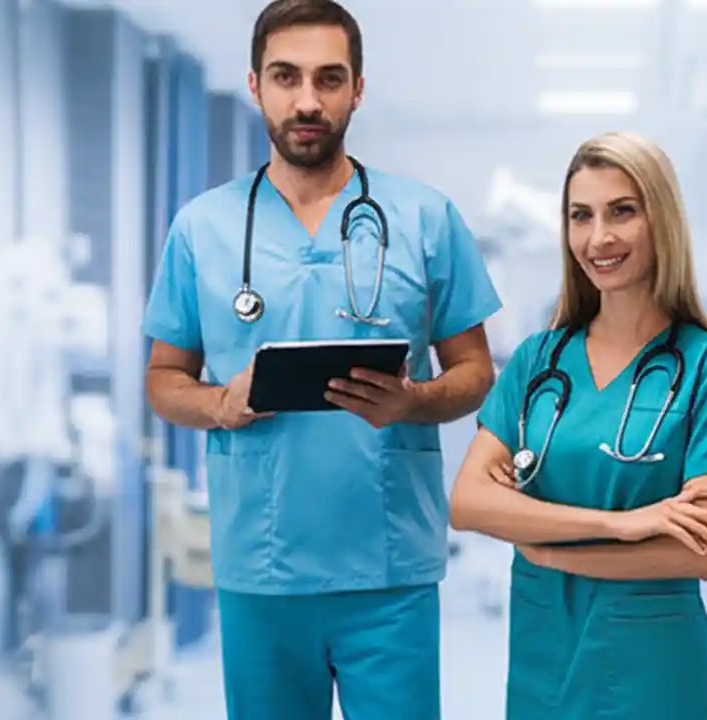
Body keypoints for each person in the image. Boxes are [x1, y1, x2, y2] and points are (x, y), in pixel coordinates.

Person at [141, 1, 502, 718]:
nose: (307, 100)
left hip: (389, 572)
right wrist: (218, 403)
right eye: (286, 76)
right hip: (261, 572)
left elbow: (475, 373)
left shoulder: (425, 219)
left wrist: (414, 400)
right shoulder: (202, 228)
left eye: (329, 79)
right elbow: (162, 381)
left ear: (356, 90)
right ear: (256, 85)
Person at [449, 131, 707, 719]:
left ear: (661, 221)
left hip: (654, 672)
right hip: (546, 661)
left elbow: (700, 552)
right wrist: (620, 526)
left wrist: (545, 546)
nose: (600, 238)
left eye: (622, 211)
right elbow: (468, 503)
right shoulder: (538, 361)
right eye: (580, 216)